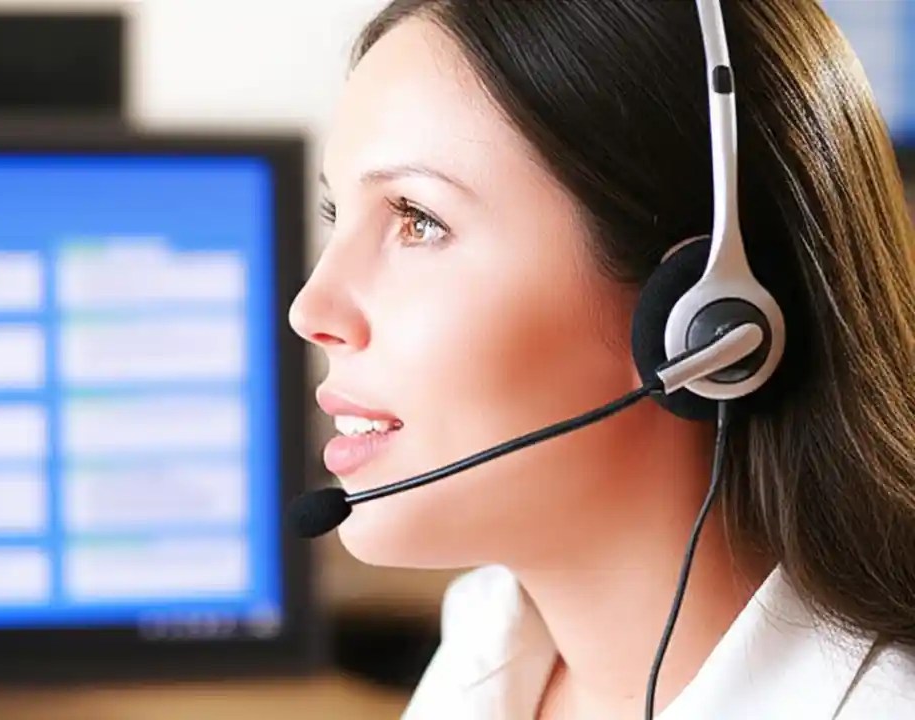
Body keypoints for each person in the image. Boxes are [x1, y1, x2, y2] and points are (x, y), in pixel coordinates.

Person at [287, 0, 915, 717]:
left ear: (701, 323)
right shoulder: (488, 645)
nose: (312, 310)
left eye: (418, 220)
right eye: (339, 215)